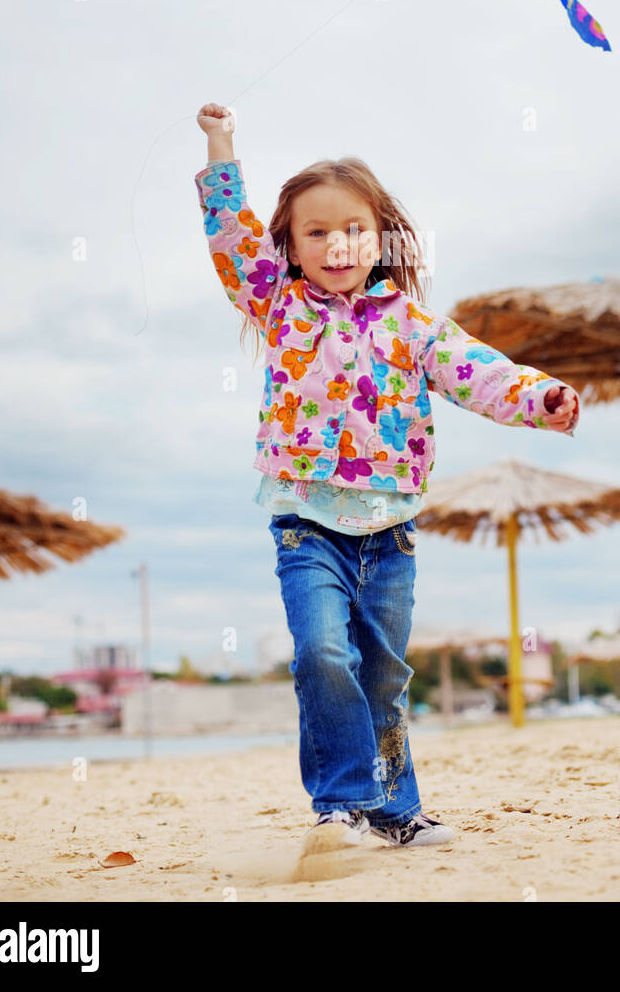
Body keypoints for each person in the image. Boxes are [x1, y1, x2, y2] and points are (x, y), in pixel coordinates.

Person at [194, 101, 580, 852]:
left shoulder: (411, 324)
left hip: (389, 531)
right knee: (321, 655)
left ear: (381, 237)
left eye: (353, 230)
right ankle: (338, 805)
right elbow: (233, 237)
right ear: (293, 246)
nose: (337, 245)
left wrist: (542, 399)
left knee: (383, 677)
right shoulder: (276, 302)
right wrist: (221, 146)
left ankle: (396, 812)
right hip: (307, 523)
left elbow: (480, 374)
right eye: (316, 232)